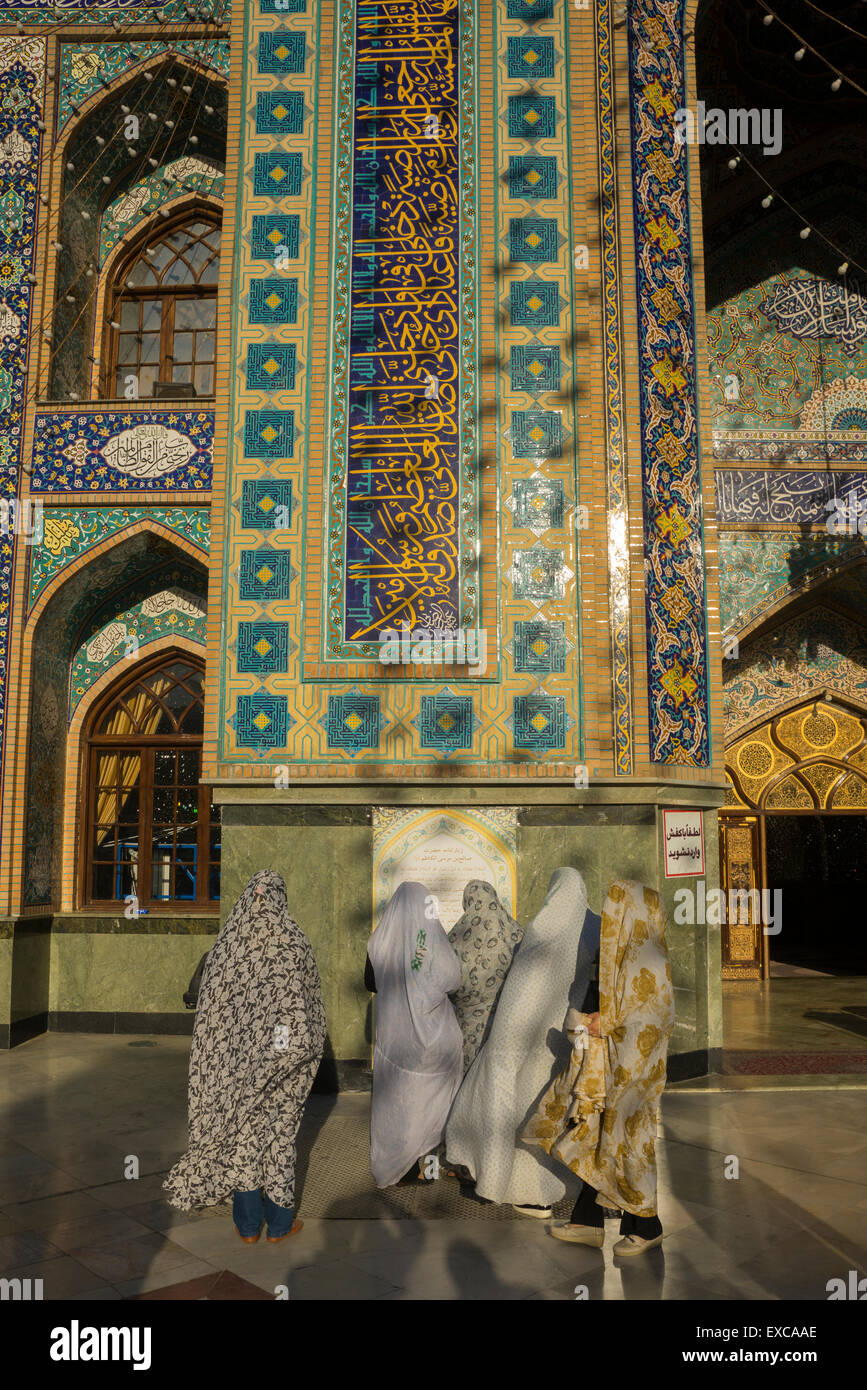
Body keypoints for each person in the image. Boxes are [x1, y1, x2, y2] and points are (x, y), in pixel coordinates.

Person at [163, 870, 326, 1244]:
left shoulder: (228, 942)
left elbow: (214, 1013)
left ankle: (249, 1226)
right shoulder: (293, 939)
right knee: (281, 1137)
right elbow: (301, 1005)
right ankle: (281, 1226)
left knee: (244, 1137)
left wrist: (239, 1056)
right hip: (286, 1056)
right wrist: (280, 1052)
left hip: (236, 1063)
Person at [522, 879, 675, 1256]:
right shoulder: (628, 959)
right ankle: (588, 1222)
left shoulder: (648, 962)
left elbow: (645, 1018)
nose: (609, 923)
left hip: (634, 1072)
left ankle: (648, 1224)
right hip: (614, 1064)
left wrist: (599, 1023)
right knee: (597, 1131)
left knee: (627, 1141)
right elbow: (622, 1010)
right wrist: (600, 1020)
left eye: (615, 915)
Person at [444, 866, 592, 1216]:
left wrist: (502, 1041)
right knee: (547, 1109)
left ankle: (506, 1181)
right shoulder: (589, 932)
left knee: (512, 1107)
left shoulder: (539, 929)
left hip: (516, 1036)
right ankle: (552, 1183)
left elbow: (518, 992)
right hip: (562, 1040)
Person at [366, 880, 463, 1188]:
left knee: (398, 1103)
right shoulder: (432, 939)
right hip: (433, 1039)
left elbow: (371, 982)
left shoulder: (378, 941)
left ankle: (401, 1168)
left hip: (395, 1040)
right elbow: (452, 980)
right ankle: (430, 1168)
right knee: (431, 1105)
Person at [448, 880, 524, 1074]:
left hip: (468, 1022)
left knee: (469, 1077)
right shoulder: (516, 931)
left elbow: (448, 978)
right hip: (507, 1020)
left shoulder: (458, 934)